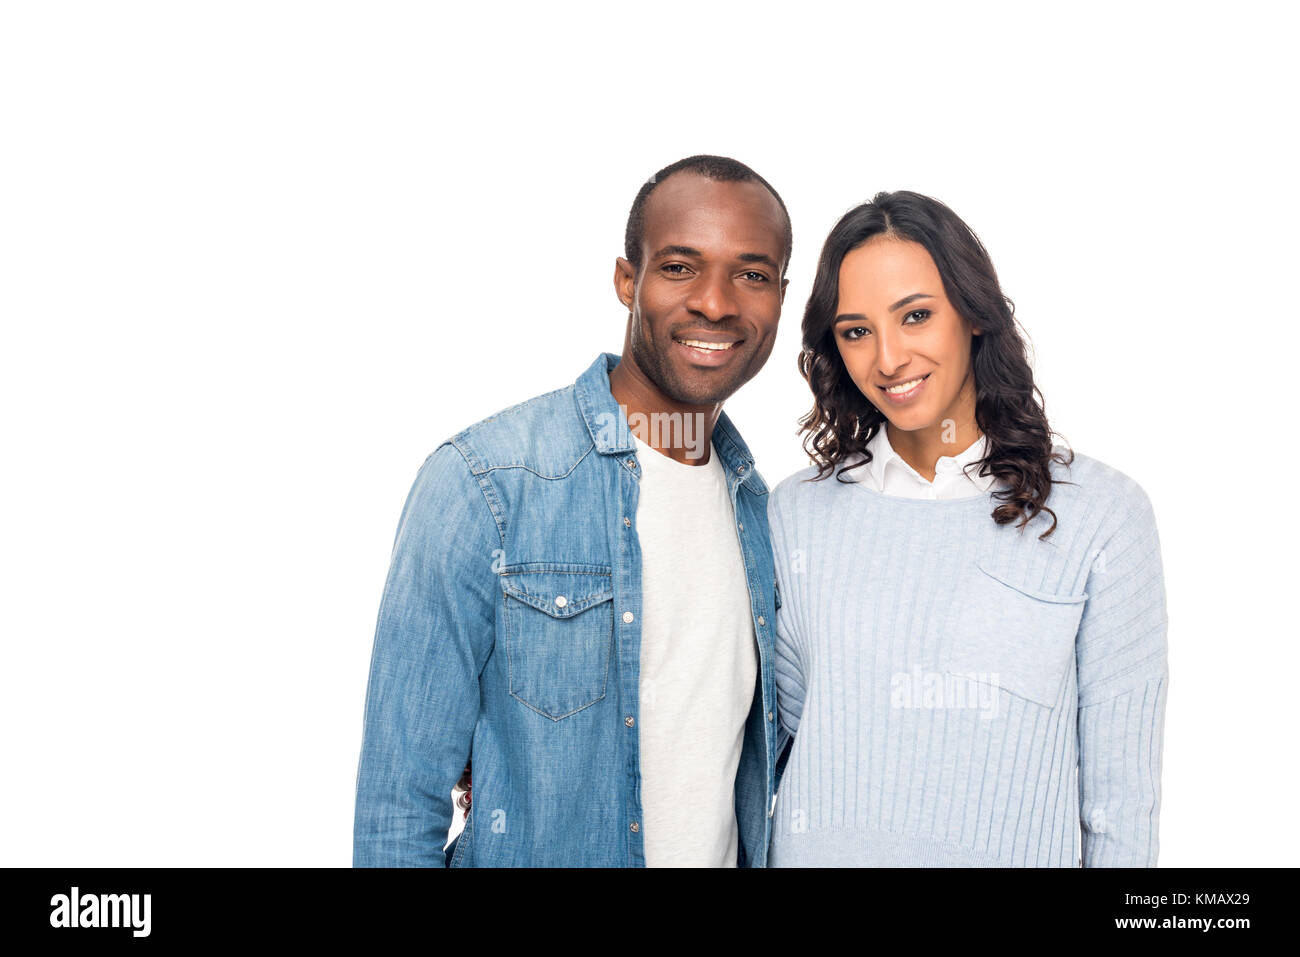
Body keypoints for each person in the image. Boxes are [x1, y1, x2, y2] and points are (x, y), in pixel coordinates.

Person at [353, 155, 792, 867]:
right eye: (680, 266)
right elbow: (397, 811)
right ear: (628, 280)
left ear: (780, 296)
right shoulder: (485, 483)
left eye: (752, 274)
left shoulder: (766, 520)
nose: (717, 302)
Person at [767, 191, 1168, 867]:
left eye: (916, 316)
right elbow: (778, 749)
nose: (889, 358)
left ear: (973, 316)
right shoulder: (796, 513)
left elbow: (1120, 804)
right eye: (856, 330)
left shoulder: (1102, 516)